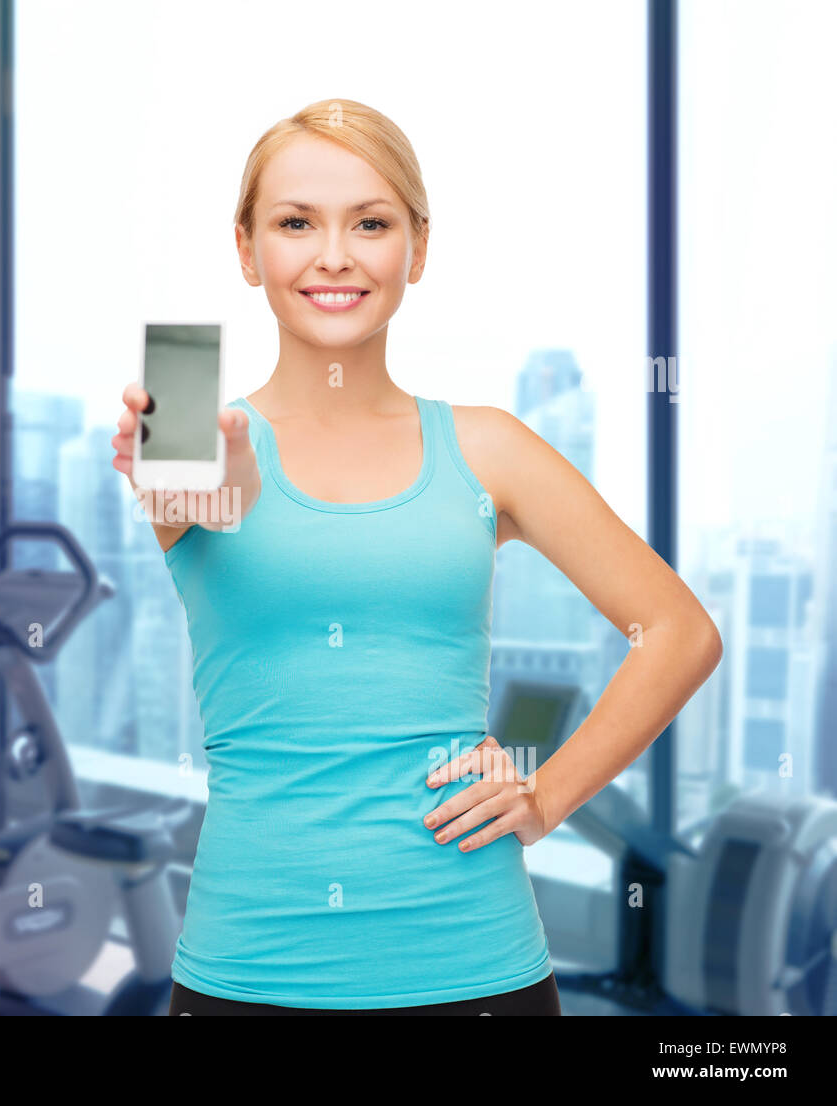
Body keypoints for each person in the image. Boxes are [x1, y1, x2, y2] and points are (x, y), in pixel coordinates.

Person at [110, 98, 722, 1016]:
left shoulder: (491, 449)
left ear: (418, 248)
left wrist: (547, 796)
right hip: (249, 973)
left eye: (371, 222)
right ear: (246, 250)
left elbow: (678, 631)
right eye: (294, 223)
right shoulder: (194, 437)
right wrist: (220, 481)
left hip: (477, 972)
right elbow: (202, 502)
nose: (333, 256)